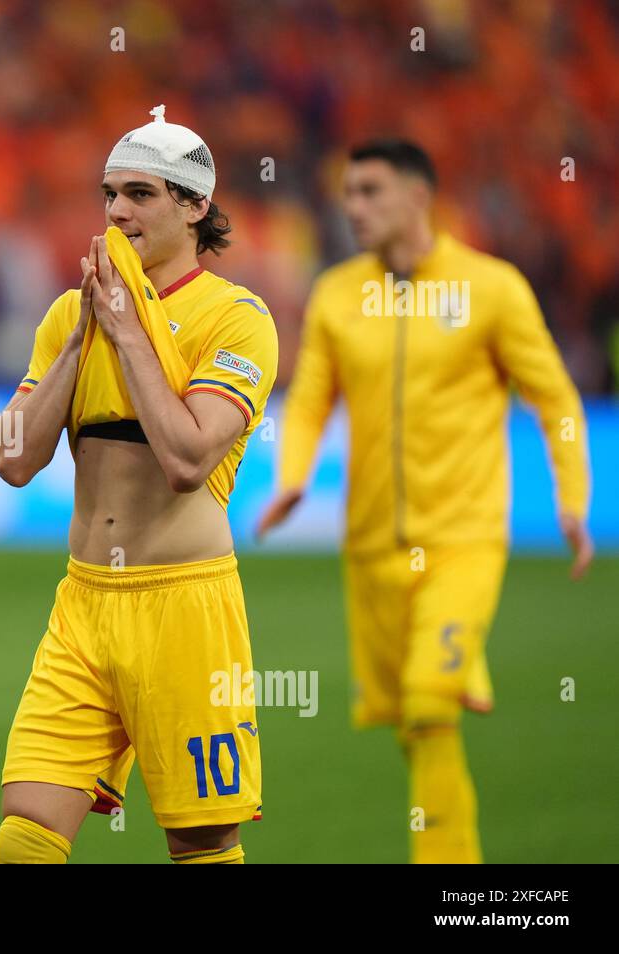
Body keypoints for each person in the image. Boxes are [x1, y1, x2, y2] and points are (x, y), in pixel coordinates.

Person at [256, 139, 592, 863]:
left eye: (371, 191)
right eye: (348, 194)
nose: (354, 208)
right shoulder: (337, 293)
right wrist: (292, 474)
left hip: (462, 538)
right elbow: (313, 394)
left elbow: (554, 395)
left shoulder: (491, 288)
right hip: (372, 545)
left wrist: (572, 497)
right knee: (413, 724)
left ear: (418, 196)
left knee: (429, 699)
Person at [0, 106, 278, 864]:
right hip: (83, 605)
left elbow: (186, 461)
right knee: (24, 834)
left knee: (200, 843)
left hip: (185, 607)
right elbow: (15, 460)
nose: (118, 211)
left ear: (196, 207)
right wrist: (84, 335)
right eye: (110, 193)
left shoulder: (238, 320)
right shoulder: (69, 316)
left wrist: (127, 333)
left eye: (141, 194)